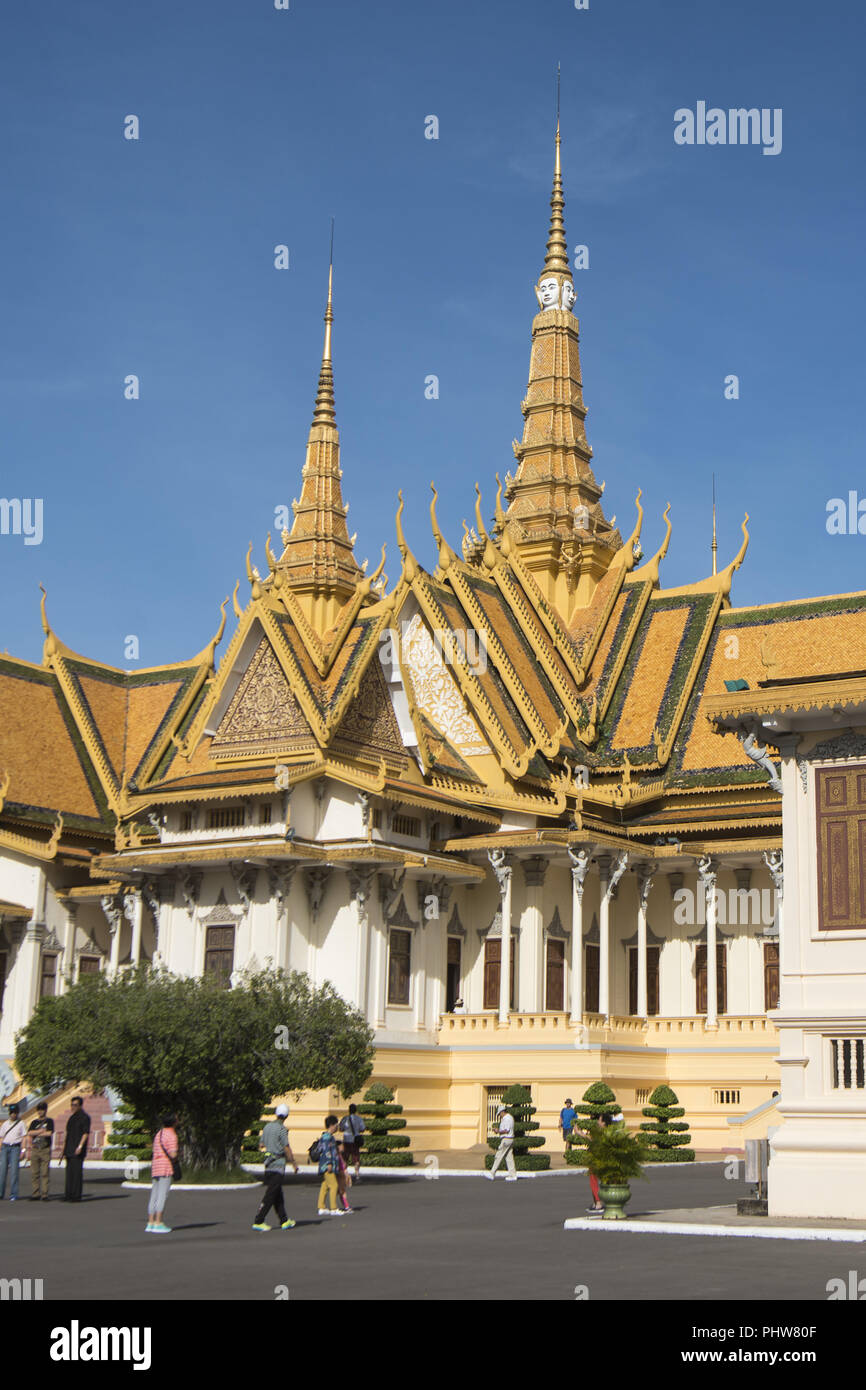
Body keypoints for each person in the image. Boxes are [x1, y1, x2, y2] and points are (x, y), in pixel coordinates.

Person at [252, 1103, 298, 1232]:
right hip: (278, 1165)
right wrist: (293, 1162)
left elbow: (261, 1144)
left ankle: (284, 1220)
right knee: (271, 1195)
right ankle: (259, 1221)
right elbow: (286, 1147)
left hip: (268, 1165)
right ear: (286, 1116)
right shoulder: (282, 1129)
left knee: (278, 1194)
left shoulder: (267, 1127)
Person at [147, 1115, 179, 1233]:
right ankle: (158, 1222)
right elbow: (173, 1154)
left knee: (154, 1195)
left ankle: (150, 1222)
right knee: (162, 1195)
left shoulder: (159, 1133)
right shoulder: (172, 1135)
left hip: (155, 1166)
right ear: (174, 1123)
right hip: (165, 1167)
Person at [62, 1096, 91, 1202]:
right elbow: (67, 1133)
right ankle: (68, 1194)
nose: (72, 1107)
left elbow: (85, 1133)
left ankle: (76, 1196)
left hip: (78, 1149)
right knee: (69, 1173)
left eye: (75, 1105)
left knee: (77, 1173)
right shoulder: (71, 1118)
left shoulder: (85, 1117)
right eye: (72, 1105)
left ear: (80, 1106)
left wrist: (80, 1146)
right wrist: (64, 1147)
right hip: (69, 1148)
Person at [586, 1112, 614, 1214]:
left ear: (604, 1123)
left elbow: (593, 1141)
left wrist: (580, 1134)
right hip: (596, 1158)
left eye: (600, 1120)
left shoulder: (602, 1133)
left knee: (594, 1181)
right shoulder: (604, 1132)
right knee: (594, 1181)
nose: (598, 1122)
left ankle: (598, 1203)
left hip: (597, 1159)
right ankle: (596, 1202)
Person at [316, 1115, 344, 1216]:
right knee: (334, 1185)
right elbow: (327, 1151)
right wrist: (329, 1163)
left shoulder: (326, 1137)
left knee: (325, 1185)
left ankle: (321, 1206)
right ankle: (333, 1208)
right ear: (332, 1125)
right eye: (336, 1124)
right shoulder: (327, 1137)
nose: (337, 1127)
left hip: (326, 1165)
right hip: (328, 1165)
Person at [27, 1101, 54, 1201]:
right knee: (34, 1172)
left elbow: (49, 1133)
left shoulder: (49, 1121)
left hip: (45, 1149)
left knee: (45, 1172)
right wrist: (40, 1131)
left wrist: (37, 1133)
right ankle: (35, 1193)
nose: (40, 1112)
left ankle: (44, 1194)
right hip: (35, 1149)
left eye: (42, 1110)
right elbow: (30, 1132)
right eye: (39, 1110)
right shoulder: (34, 1122)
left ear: (46, 1110)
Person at [0, 1103, 26, 1201]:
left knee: (14, 1172)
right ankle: (0, 1193)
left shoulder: (21, 1123)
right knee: (2, 1172)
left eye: (15, 1112)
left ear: (17, 1113)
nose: (13, 1114)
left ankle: (14, 1194)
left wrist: (23, 1150)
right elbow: (2, 1138)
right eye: (12, 1113)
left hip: (15, 1148)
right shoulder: (5, 1124)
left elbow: (24, 1137)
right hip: (5, 1147)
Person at [486, 1104, 517, 1181]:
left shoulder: (507, 1119)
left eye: (499, 1114)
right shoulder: (510, 1117)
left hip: (506, 1139)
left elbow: (506, 1130)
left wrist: (498, 1131)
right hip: (510, 1139)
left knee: (498, 1155)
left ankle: (492, 1173)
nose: (499, 1115)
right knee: (509, 1157)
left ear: (502, 1112)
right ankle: (513, 1175)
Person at [339, 1103, 365, 1182]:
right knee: (356, 1159)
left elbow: (341, 1128)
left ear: (349, 1110)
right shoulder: (359, 1119)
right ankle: (357, 1175)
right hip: (355, 1141)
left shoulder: (345, 1119)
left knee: (345, 1158)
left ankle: (344, 1175)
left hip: (347, 1140)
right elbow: (363, 1129)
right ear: (356, 1110)